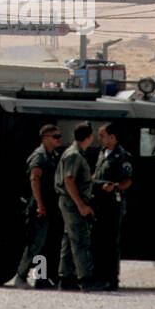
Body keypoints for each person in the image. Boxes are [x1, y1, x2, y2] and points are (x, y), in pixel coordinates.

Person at [54, 123, 108, 291]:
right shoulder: (74, 155)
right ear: (89, 137)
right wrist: (81, 205)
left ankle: (66, 278)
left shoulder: (75, 153)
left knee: (69, 239)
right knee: (80, 240)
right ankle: (86, 280)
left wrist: (98, 184)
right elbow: (69, 180)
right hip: (72, 203)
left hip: (69, 201)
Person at [13, 124, 63, 288]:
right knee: (36, 243)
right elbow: (35, 179)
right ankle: (21, 276)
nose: (59, 139)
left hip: (50, 204)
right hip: (39, 204)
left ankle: (41, 278)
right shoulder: (39, 156)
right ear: (45, 138)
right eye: (55, 136)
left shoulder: (53, 155)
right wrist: (40, 205)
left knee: (48, 243)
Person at [91, 123, 134, 289]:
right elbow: (98, 172)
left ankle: (111, 279)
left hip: (112, 205)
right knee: (98, 242)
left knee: (110, 243)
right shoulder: (103, 153)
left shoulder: (122, 156)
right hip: (99, 203)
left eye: (102, 135)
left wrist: (115, 186)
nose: (99, 138)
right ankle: (99, 276)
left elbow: (127, 180)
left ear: (112, 137)